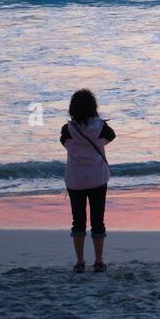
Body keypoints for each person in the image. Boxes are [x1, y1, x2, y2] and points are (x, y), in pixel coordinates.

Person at [60, 88, 115, 273]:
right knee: (98, 220)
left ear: (72, 109)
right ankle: (99, 261)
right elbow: (111, 137)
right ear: (93, 107)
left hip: (75, 180)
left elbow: (64, 142)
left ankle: (79, 262)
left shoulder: (67, 130)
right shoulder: (102, 129)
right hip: (98, 179)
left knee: (78, 221)